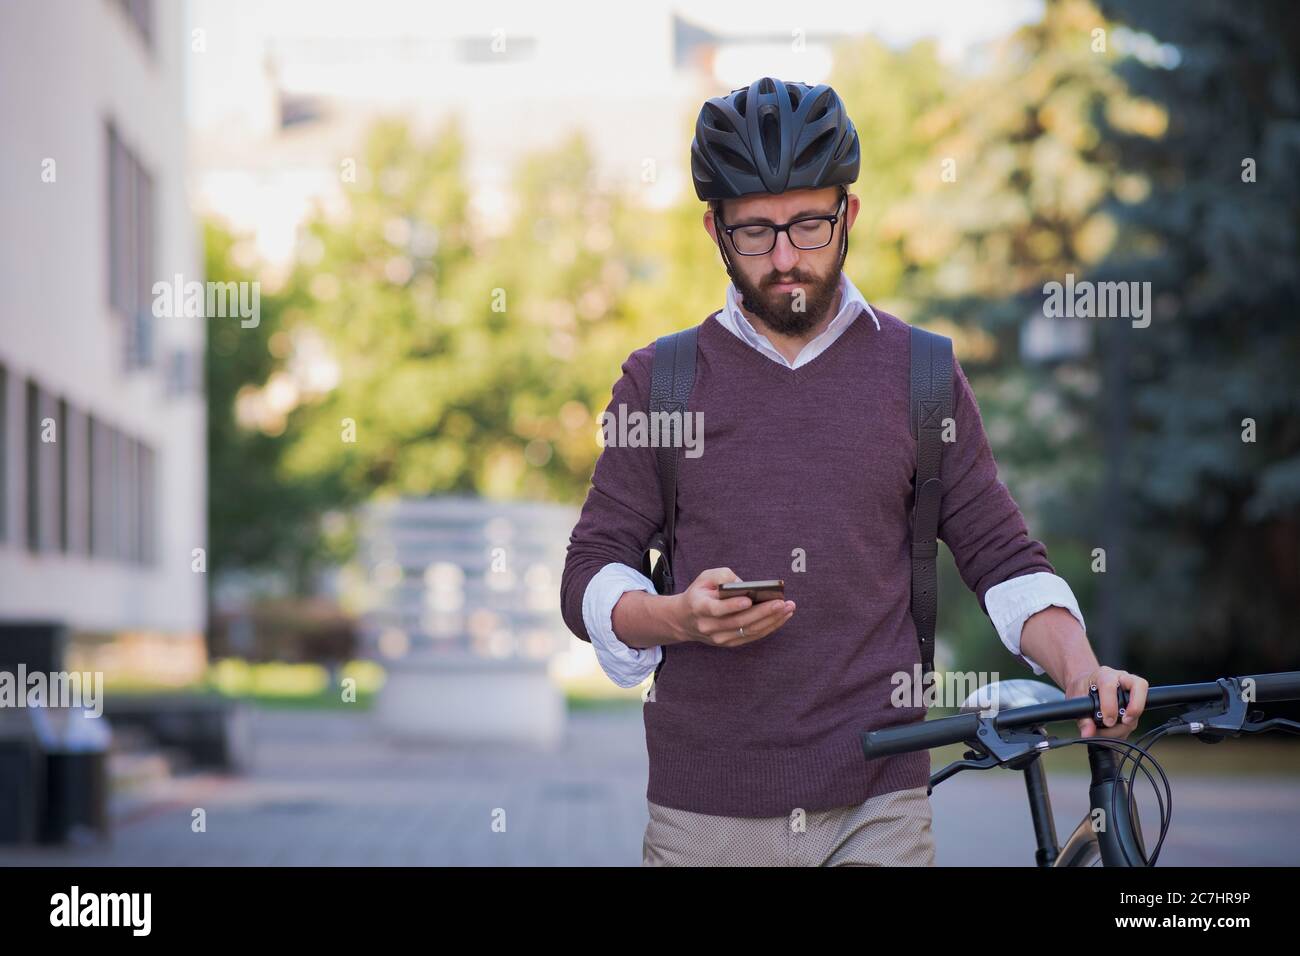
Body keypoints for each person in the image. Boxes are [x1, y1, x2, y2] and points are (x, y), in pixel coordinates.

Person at [559, 76, 1148, 866]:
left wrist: (1082, 670)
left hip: (881, 802)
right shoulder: (661, 380)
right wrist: (676, 618)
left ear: (850, 214)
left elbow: (1002, 559)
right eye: (754, 234)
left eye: (809, 224)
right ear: (714, 231)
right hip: (707, 810)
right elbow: (589, 572)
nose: (785, 258)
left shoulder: (921, 374)